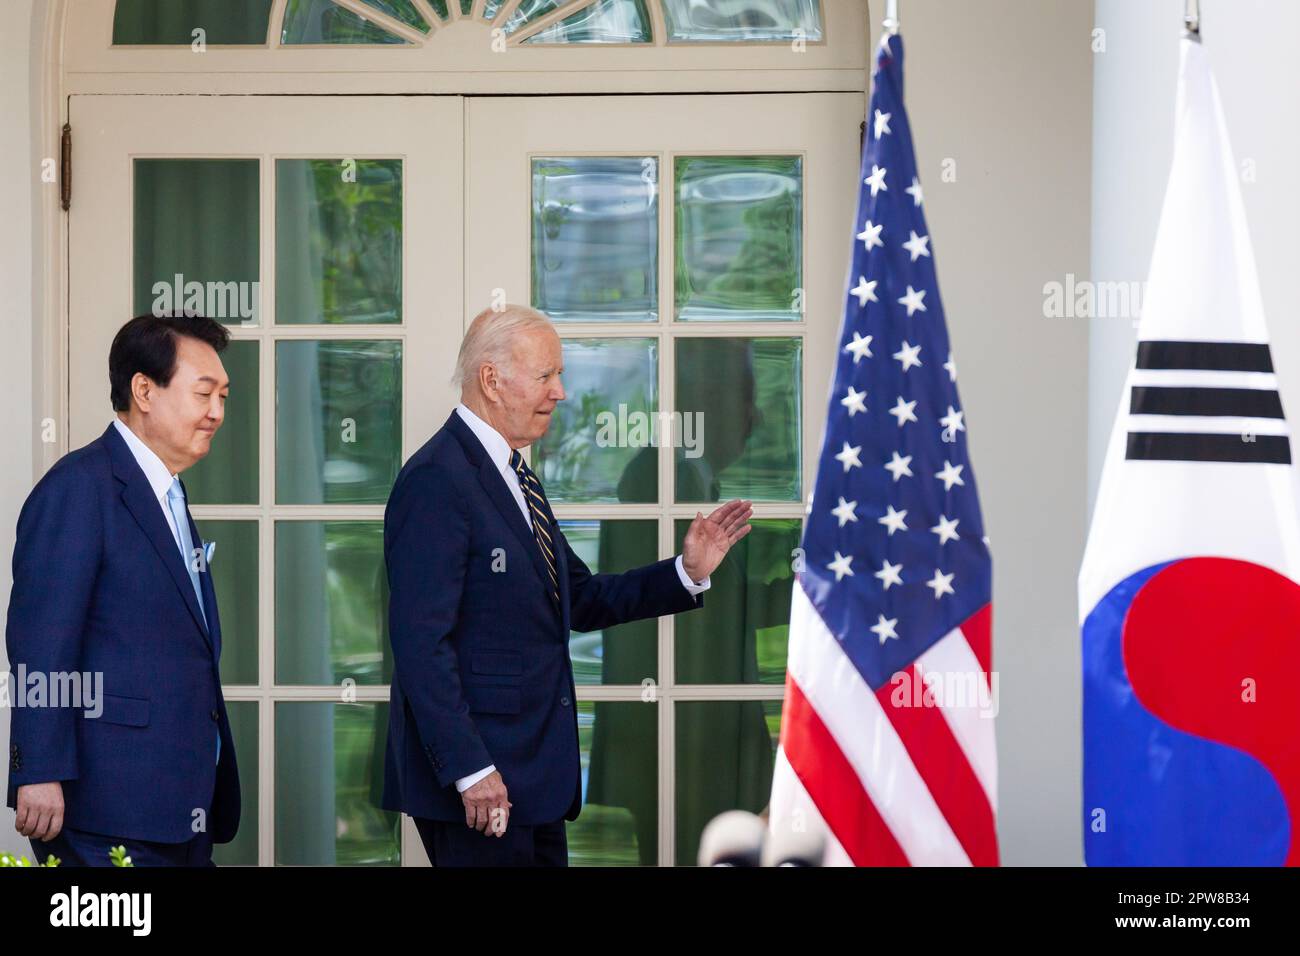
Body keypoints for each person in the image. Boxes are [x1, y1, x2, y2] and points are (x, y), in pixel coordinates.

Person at [381, 303, 752, 866]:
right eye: (546, 375)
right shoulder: (437, 479)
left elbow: (580, 597)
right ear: (492, 380)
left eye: (560, 375)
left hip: (534, 779)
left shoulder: (516, 474)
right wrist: (470, 769)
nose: (560, 392)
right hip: (481, 785)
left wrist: (688, 571)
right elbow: (419, 645)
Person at [5, 312, 241, 866]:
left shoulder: (170, 494)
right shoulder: (78, 488)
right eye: (204, 393)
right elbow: (41, 642)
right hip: (103, 812)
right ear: (144, 391)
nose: (217, 412)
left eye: (223, 396)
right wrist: (37, 771)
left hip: (179, 808)